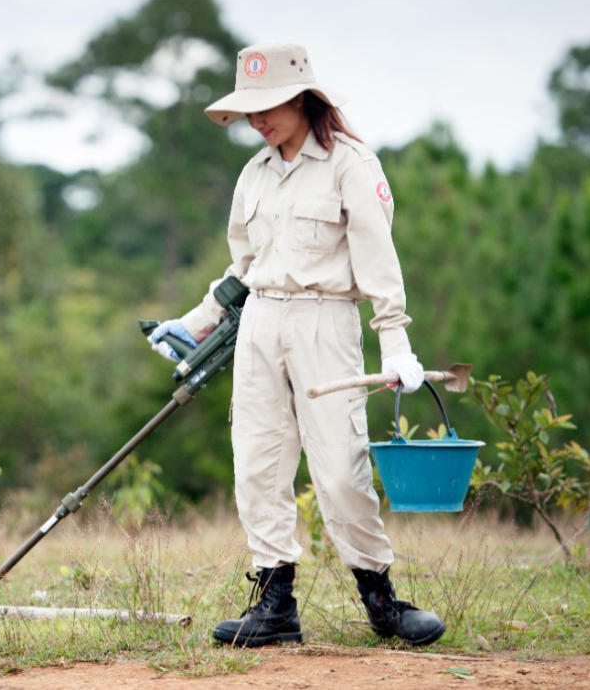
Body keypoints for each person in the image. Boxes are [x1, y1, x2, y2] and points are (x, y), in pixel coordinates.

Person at [148, 42, 445, 647]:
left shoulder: (350, 165)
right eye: (250, 110)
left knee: (339, 468)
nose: (258, 121)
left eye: (269, 106)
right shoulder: (253, 174)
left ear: (303, 98)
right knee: (256, 464)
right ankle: (275, 604)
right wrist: (194, 323)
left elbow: (379, 263)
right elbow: (244, 267)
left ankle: (382, 601)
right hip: (260, 324)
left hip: (325, 321)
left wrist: (395, 345)